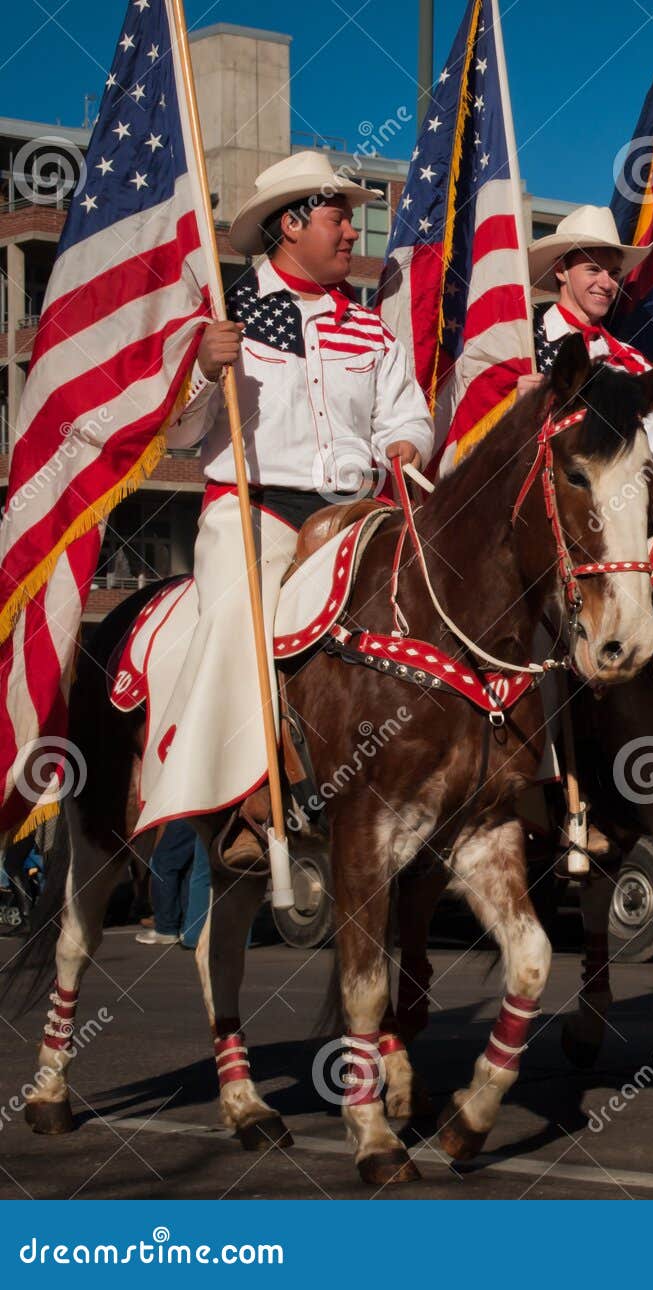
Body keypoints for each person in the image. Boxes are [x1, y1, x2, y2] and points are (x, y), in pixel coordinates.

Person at [153, 152, 436, 865]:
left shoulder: (372, 330)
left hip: (357, 515)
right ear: (291, 223)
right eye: (340, 218)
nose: (351, 235)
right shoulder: (223, 316)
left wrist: (405, 445)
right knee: (234, 616)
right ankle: (244, 796)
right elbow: (178, 436)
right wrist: (204, 370)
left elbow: (408, 418)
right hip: (254, 509)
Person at [519, 205, 653, 507]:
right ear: (561, 270)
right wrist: (515, 412)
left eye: (614, 273)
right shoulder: (521, 341)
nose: (607, 284)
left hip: (613, 532)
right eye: (593, 269)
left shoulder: (631, 362)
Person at [137, 821, 210, 950]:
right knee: (189, 863)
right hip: (201, 810)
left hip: (187, 809)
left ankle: (166, 927)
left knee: (163, 860)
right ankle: (184, 925)